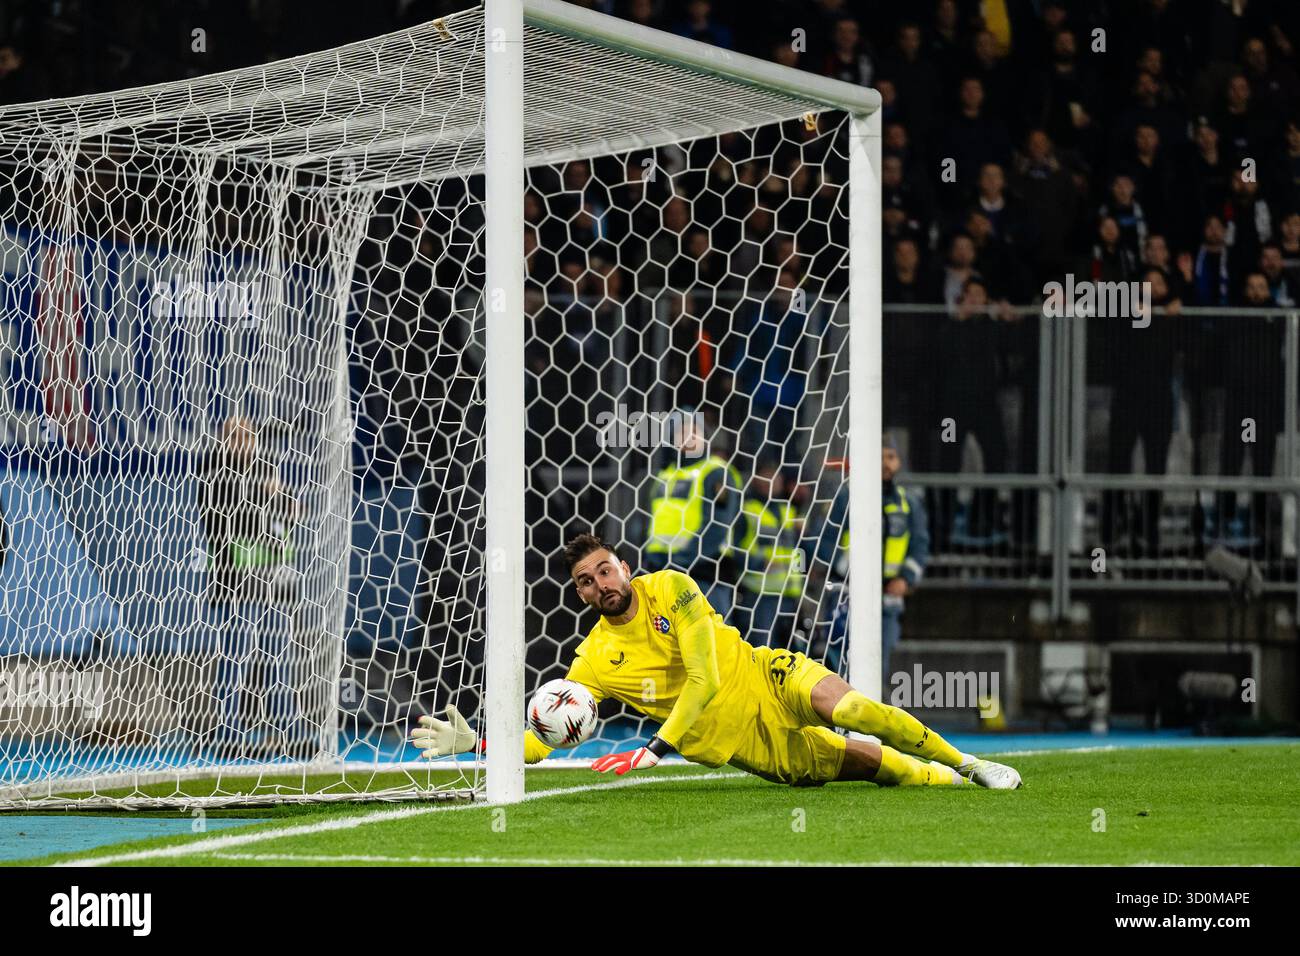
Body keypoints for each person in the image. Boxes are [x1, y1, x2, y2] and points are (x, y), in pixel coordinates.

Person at [411, 533, 1021, 790]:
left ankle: (970, 761)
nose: (601, 583)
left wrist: (652, 748)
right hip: (746, 747)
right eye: (585, 582)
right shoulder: (593, 659)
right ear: (580, 595)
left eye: (604, 569)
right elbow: (544, 742)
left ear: (623, 566)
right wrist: (479, 745)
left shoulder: (673, 588)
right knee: (876, 769)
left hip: (764, 674)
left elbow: (703, 677)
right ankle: (944, 778)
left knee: (855, 707)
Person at [200, 417, 303, 756]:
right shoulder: (214, 470)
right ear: (223, 438)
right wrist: (268, 498)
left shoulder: (267, 468)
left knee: (279, 659)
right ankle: (226, 733)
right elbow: (226, 518)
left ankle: (285, 733)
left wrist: (279, 500)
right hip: (236, 581)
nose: (242, 440)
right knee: (234, 659)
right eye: (234, 435)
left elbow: (290, 515)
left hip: (276, 580)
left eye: (248, 434)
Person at [640, 411, 742, 618]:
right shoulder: (664, 475)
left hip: (703, 572)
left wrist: (682, 561)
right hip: (661, 571)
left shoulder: (715, 471)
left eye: (695, 431)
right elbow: (650, 521)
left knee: (712, 638)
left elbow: (718, 525)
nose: (689, 436)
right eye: (682, 431)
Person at [732, 458, 806, 650]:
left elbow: (797, 549)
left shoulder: (788, 510)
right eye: (766, 477)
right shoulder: (746, 510)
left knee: (790, 653)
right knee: (762, 650)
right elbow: (734, 548)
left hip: (789, 594)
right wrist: (760, 563)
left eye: (775, 478)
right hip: (759, 594)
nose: (771, 482)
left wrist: (802, 570)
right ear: (756, 480)